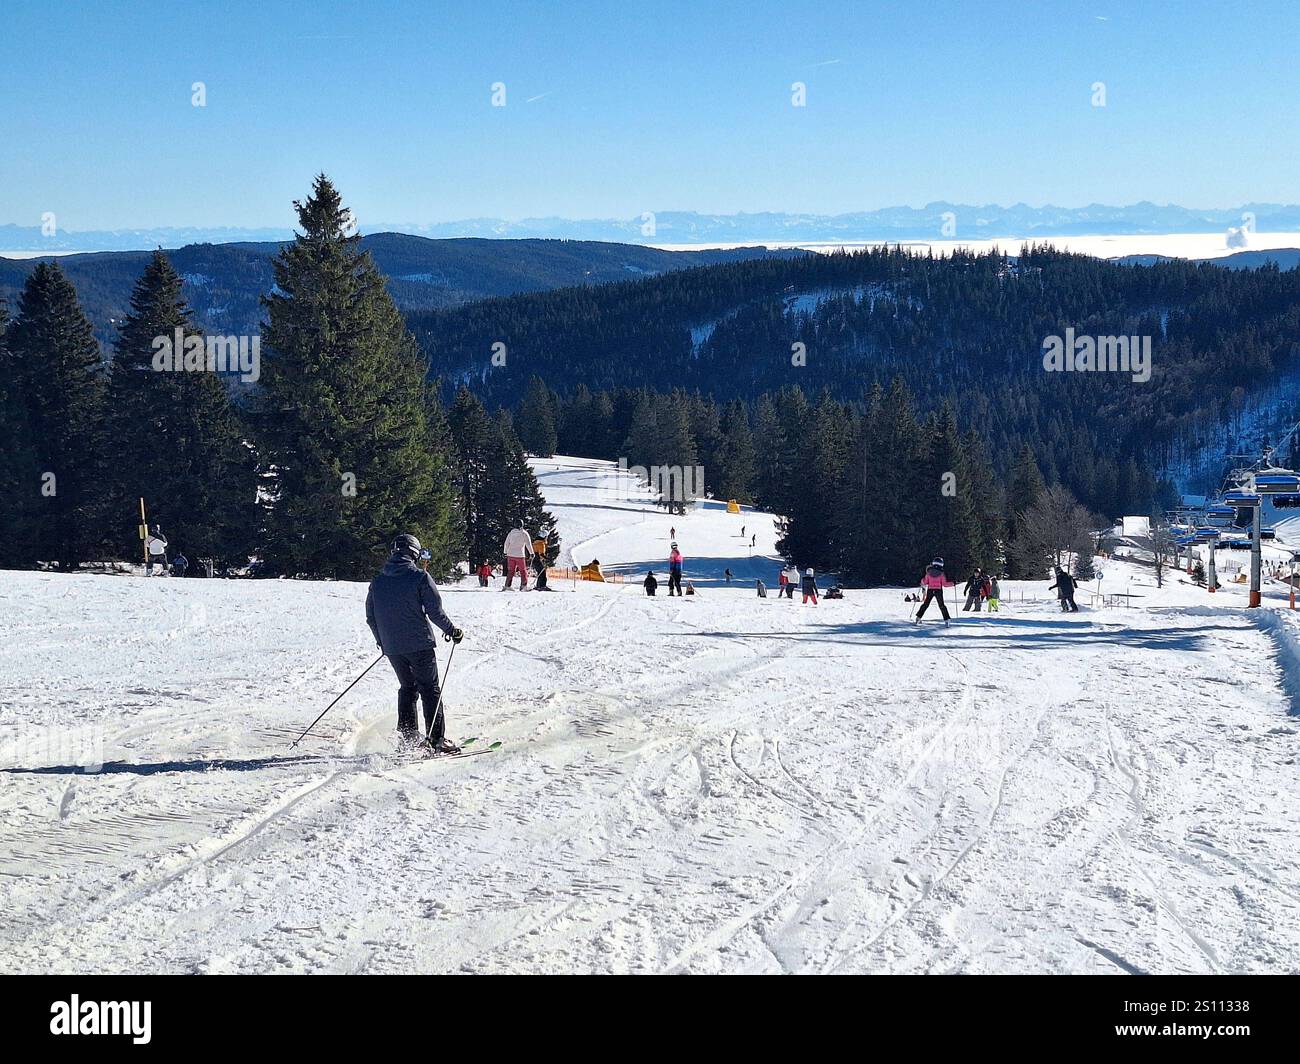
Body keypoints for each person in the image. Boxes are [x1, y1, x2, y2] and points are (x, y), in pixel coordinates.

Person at [365, 534, 464, 754]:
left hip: (393, 648)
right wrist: (452, 631)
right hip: (419, 644)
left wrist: (383, 642)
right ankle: (437, 739)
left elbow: (371, 617)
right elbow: (434, 611)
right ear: (414, 553)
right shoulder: (420, 577)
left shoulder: (378, 580)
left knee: (407, 688)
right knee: (430, 689)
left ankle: (408, 739)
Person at [914, 557, 953, 624]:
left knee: (926, 604)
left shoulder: (929, 573)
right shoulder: (941, 574)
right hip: (938, 590)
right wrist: (952, 583)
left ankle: (918, 617)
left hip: (930, 590)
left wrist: (922, 580)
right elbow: (945, 584)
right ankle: (947, 620)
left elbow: (925, 582)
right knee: (941, 605)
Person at [502, 522, 533, 590]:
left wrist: (505, 552)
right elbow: (528, 544)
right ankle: (523, 586)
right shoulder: (524, 533)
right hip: (520, 555)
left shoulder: (511, 533)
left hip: (510, 554)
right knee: (522, 571)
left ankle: (507, 586)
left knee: (511, 571)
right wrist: (531, 553)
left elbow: (506, 543)